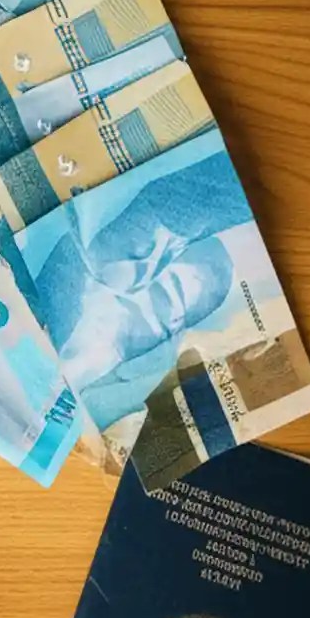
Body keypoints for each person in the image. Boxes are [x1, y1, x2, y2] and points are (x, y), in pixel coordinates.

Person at [33, 151, 247, 431]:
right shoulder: (49, 281)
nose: (138, 282)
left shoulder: (124, 406)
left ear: (171, 330)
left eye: (166, 297)